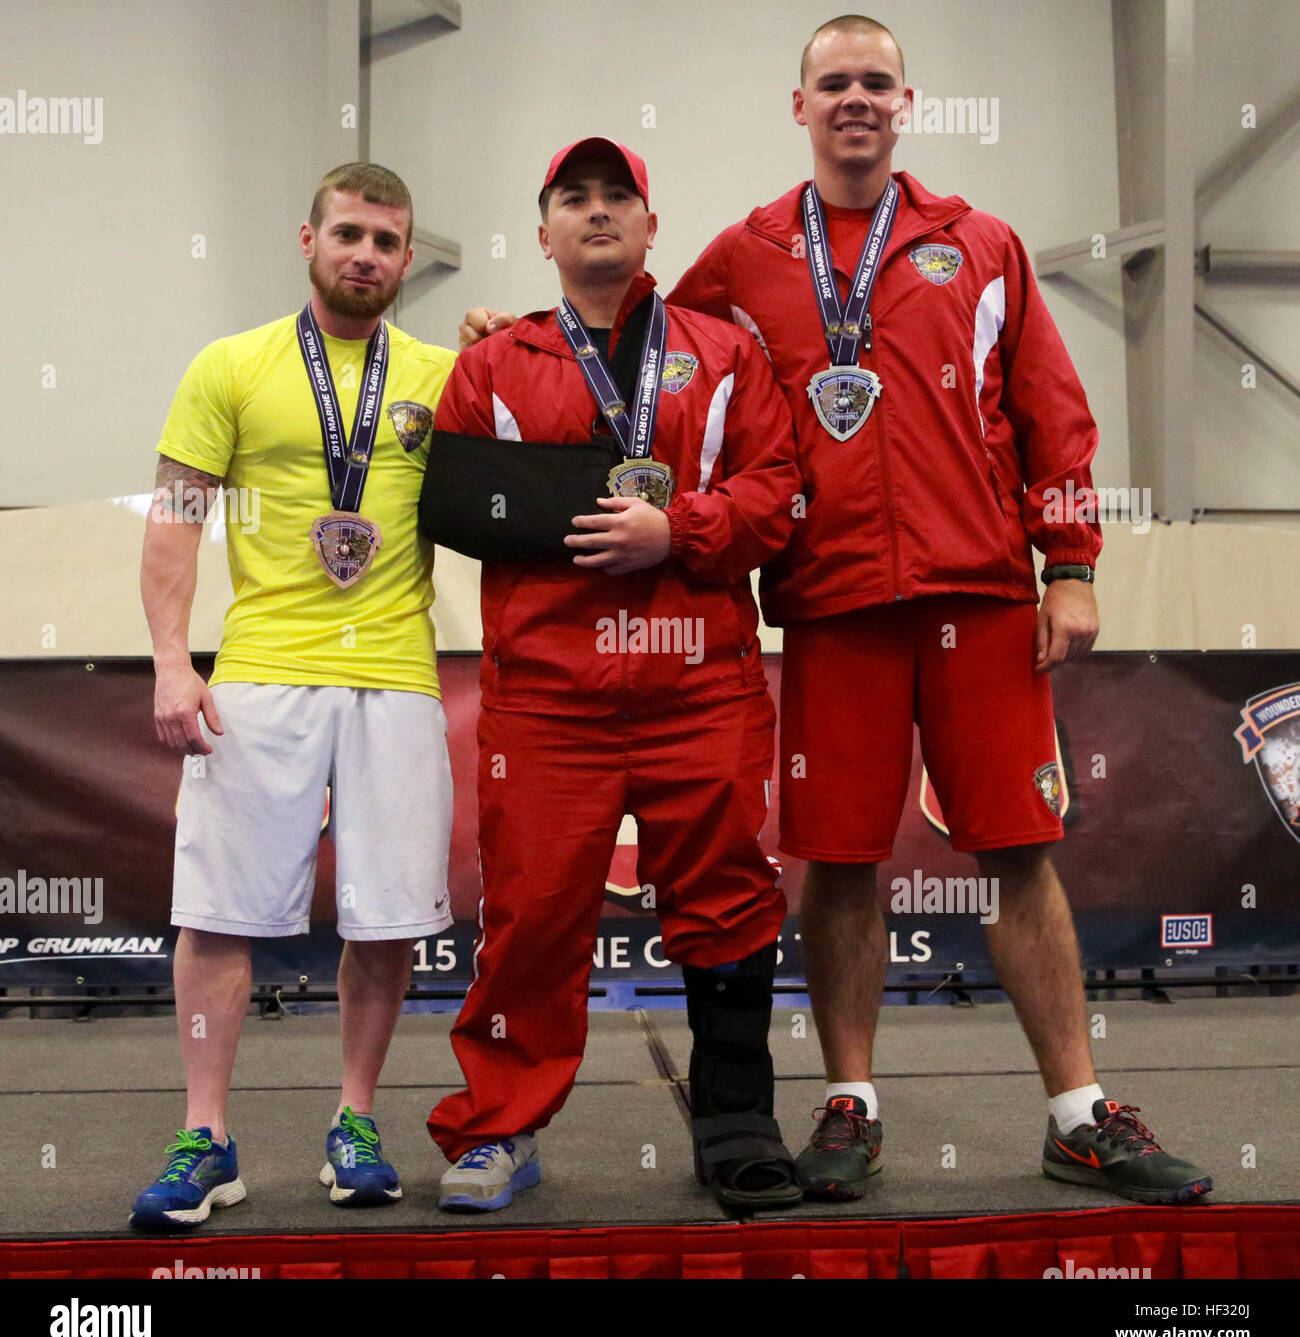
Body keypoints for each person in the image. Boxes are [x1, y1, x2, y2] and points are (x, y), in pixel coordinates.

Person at [460, 18, 1212, 1206]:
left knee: (1022, 850)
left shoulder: (983, 244)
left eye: (873, 82)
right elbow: (638, 331)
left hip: (975, 593)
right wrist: (510, 334)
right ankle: (849, 1105)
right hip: (831, 602)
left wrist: (1068, 562)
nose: (853, 99)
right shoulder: (745, 253)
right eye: (832, 83)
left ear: (904, 101)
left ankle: (1077, 1111)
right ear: (796, 105)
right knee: (841, 863)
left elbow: (1051, 410)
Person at [423, 138, 804, 1214]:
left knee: (730, 904)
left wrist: (673, 529)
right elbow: (454, 506)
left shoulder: (724, 353)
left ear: (650, 226)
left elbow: (778, 496)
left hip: (699, 686)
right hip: (548, 696)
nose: (597, 213)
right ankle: (498, 1130)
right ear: (543, 232)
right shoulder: (492, 365)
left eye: (617, 197)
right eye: (572, 199)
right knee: (531, 916)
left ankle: (736, 1124)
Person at [134, 163, 456, 1229]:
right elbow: (176, 519)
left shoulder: (448, 375)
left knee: (388, 916)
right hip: (260, 673)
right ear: (308, 238)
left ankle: (355, 1120)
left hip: (397, 679)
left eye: (387, 241)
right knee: (218, 915)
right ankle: (205, 1135)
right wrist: (173, 663)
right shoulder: (229, 366)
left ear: (409, 261)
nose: (367, 254)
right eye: (350, 234)